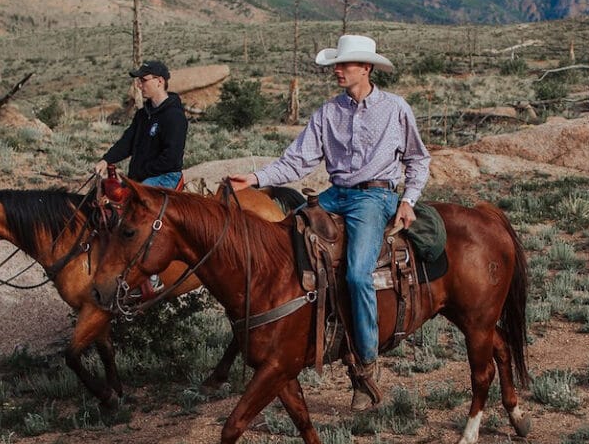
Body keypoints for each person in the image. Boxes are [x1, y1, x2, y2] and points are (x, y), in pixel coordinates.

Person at [226, 34, 431, 411]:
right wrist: (256, 179)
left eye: (344, 64)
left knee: (356, 273)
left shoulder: (395, 109)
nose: (336, 70)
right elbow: (297, 161)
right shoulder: (327, 113)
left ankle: (365, 364)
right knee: (284, 248)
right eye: (336, 64)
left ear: (365, 69)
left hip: (375, 196)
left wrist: (408, 201)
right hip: (335, 192)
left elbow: (418, 161)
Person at [94, 60, 187, 190]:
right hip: (143, 177)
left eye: (143, 80)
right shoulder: (143, 115)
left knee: (132, 203)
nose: (139, 85)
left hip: (166, 177)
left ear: (160, 81)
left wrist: (140, 173)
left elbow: (171, 158)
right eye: (138, 81)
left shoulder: (174, 116)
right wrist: (106, 160)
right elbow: (127, 143)